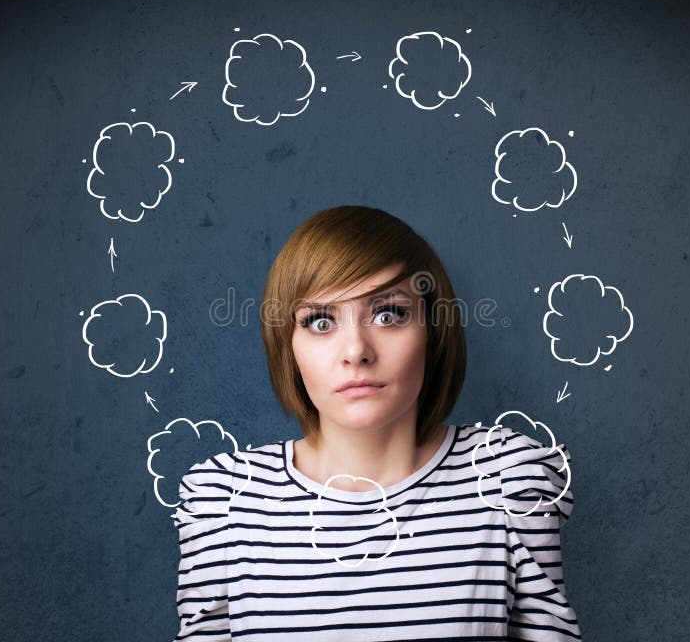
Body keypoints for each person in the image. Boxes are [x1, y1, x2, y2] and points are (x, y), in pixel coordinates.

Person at [173, 205, 582, 640]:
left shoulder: (508, 481)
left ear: (433, 332)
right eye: (320, 321)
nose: (356, 351)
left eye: (389, 314)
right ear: (287, 346)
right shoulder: (223, 501)